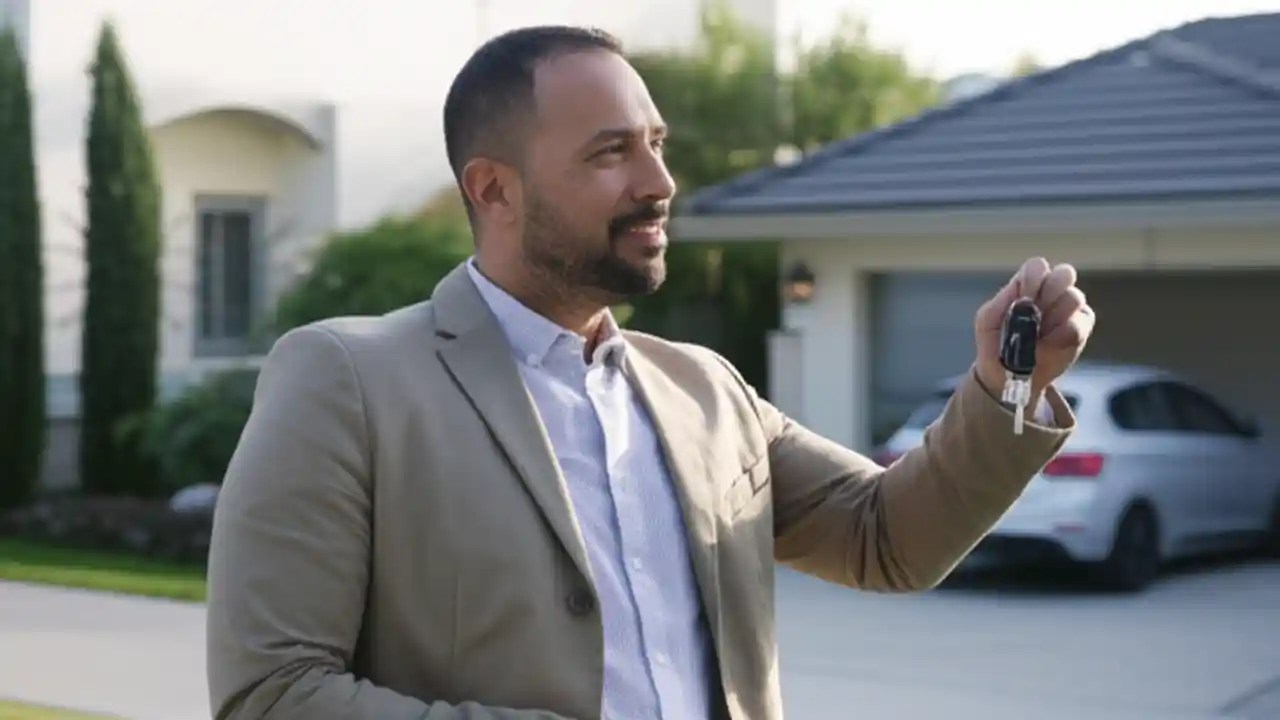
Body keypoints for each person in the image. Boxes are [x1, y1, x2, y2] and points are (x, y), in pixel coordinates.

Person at [205, 25, 1094, 720]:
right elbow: (274, 693)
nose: (660, 179)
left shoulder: (703, 388)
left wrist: (1006, 386)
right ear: (494, 189)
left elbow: (888, 540)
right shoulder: (346, 380)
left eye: (656, 143)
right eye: (609, 153)